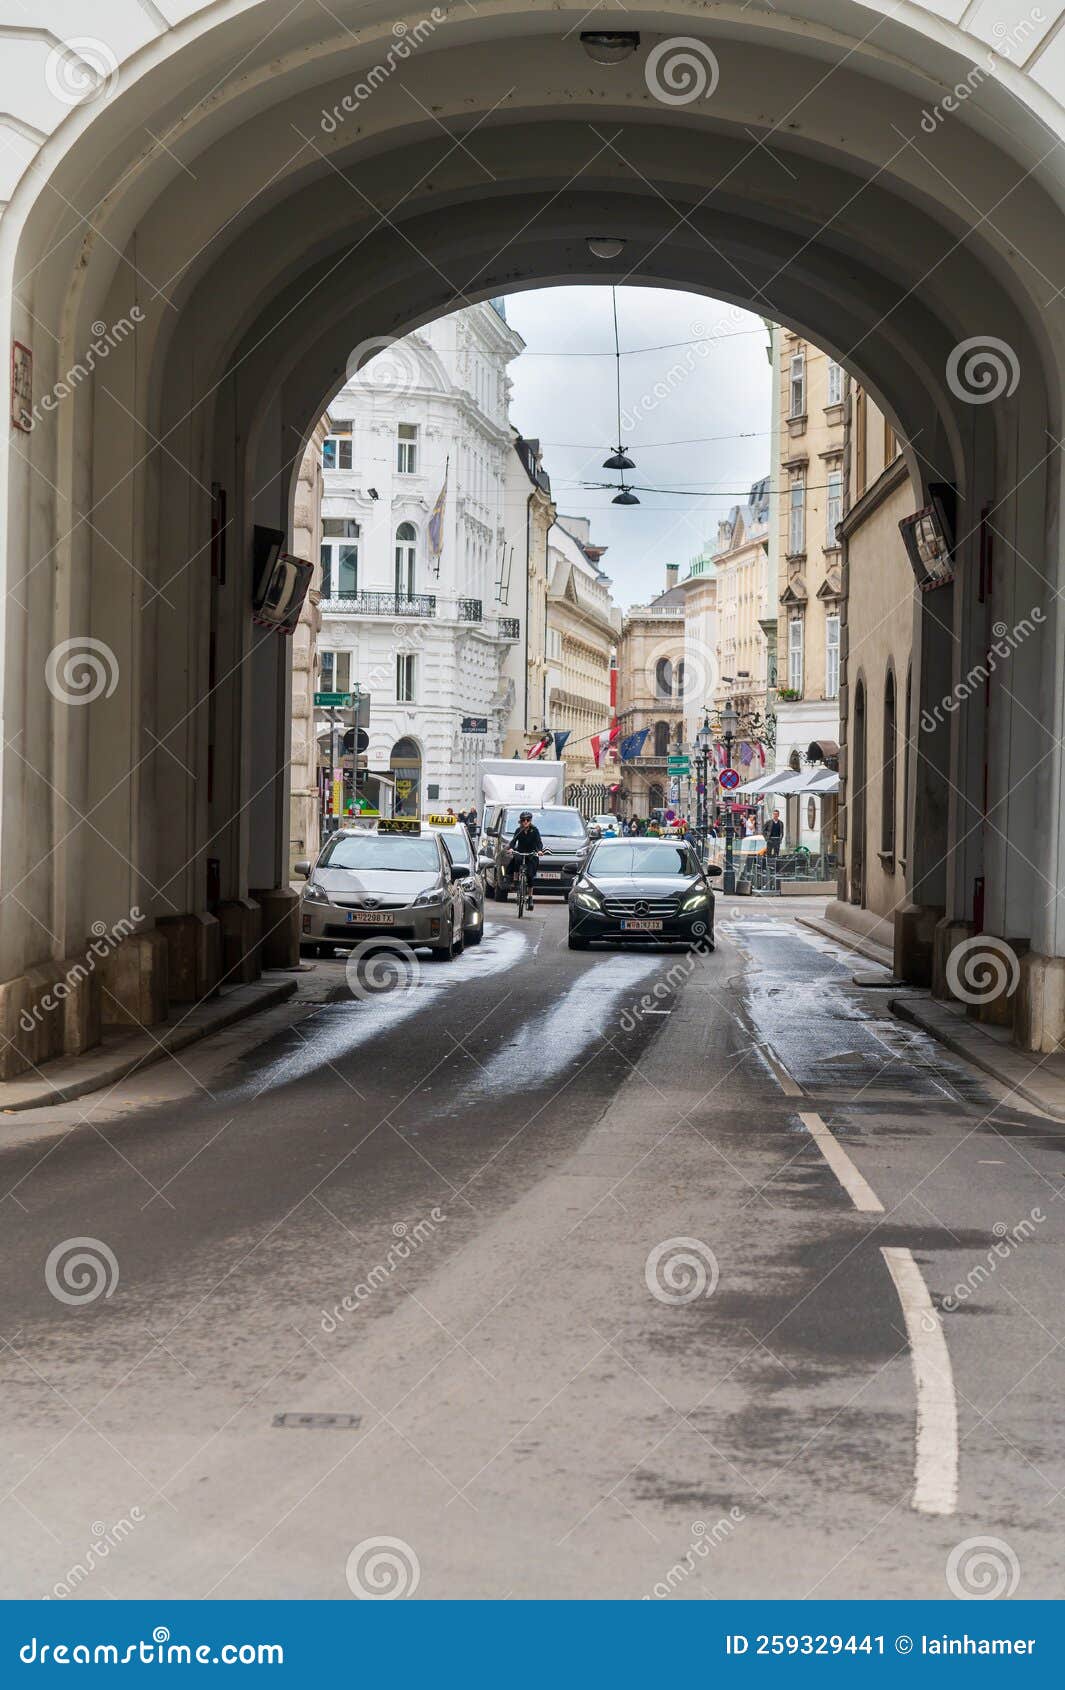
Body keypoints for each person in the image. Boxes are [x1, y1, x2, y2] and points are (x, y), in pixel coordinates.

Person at [507, 810, 543, 907]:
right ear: (521, 821)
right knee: (516, 859)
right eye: (523, 820)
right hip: (521, 851)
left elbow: (539, 842)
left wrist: (539, 851)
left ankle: (530, 897)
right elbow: (513, 841)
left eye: (528, 820)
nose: (526, 822)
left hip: (531, 853)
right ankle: (515, 881)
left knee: (530, 876)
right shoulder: (518, 830)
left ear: (530, 821)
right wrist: (511, 848)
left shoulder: (535, 830)